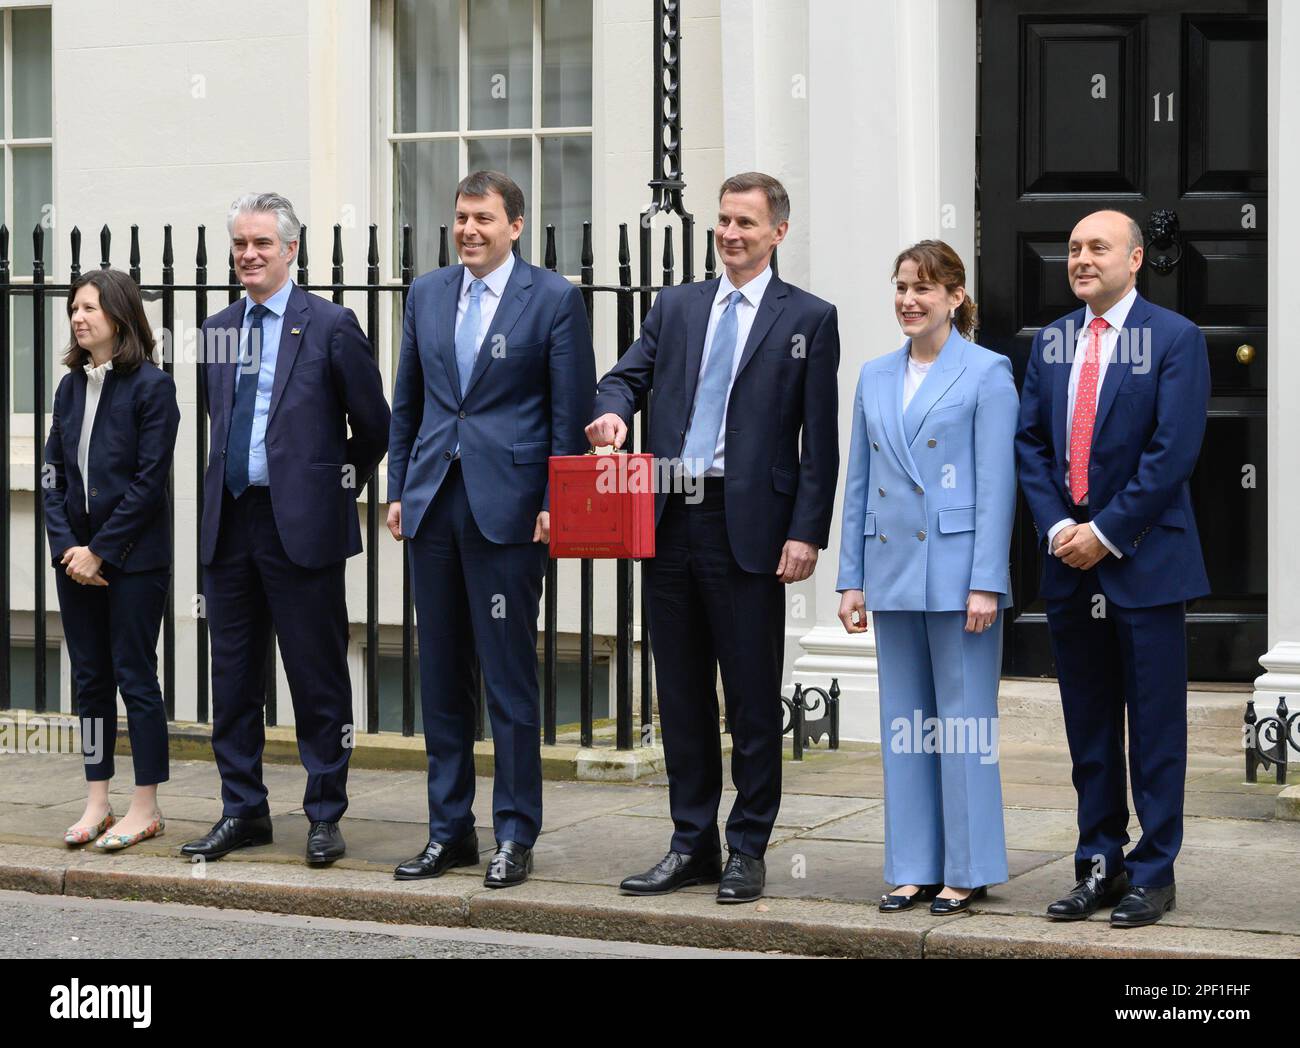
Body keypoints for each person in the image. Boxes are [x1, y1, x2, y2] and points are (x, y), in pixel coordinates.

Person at [586, 172, 839, 904]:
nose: (730, 234)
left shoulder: (809, 319)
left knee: (754, 698)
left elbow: (817, 442)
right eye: (724, 222)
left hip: (750, 524)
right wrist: (610, 413)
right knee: (683, 693)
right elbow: (624, 378)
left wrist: (806, 534)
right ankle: (689, 841)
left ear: (778, 233)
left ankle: (748, 846)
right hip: (669, 516)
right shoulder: (678, 305)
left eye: (746, 224)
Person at [386, 170, 595, 888]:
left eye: (483, 218)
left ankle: (514, 833)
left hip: (509, 513)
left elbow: (568, 413)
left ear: (515, 225)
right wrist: (398, 491)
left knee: (508, 681)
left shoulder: (556, 300)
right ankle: (450, 832)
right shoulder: (427, 293)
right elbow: (406, 403)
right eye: (461, 217)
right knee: (441, 678)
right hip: (434, 504)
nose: (468, 230)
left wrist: (555, 501)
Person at [180, 193, 391, 865]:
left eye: (262, 244)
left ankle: (325, 812)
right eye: (240, 243)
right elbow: (221, 424)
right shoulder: (216, 327)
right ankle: (243, 810)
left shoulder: (330, 325)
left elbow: (375, 426)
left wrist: (329, 487)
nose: (248, 254)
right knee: (233, 677)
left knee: (317, 677)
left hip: (301, 527)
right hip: (229, 524)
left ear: (291, 250)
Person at [1015, 210, 1210, 928]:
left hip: (1147, 563)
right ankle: (1098, 864)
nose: (1081, 258)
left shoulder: (1175, 338)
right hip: (1070, 564)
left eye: (1098, 247)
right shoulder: (1053, 342)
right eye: (1072, 249)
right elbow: (1030, 443)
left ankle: (1153, 875)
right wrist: (1063, 526)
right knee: (1090, 728)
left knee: (1155, 730)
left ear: (1135, 259)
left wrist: (1107, 531)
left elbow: (1173, 453)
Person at [836, 241, 1018, 914]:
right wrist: (850, 577)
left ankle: (968, 868)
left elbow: (997, 487)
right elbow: (859, 483)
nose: (909, 300)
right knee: (905, 723)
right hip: (890, 571)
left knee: (964, 724)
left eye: (924, 288)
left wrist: (986, 583)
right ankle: (912, 864)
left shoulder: (988, 372)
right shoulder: (875, 375)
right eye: (902, 286)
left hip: (956, 572)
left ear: (955, 298)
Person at [44, 269, 180, 850]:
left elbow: (149, 484)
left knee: (134, 676)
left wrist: (101, 550)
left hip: (133, 561)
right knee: (90, 679)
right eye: (75, 307)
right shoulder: (70, 388)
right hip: (76, 561)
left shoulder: (153, 387)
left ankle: (144, 806)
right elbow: (53, 476)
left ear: (120, 316)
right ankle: (97, 799)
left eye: (91, 307)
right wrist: (69, 549)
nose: (79, 316)